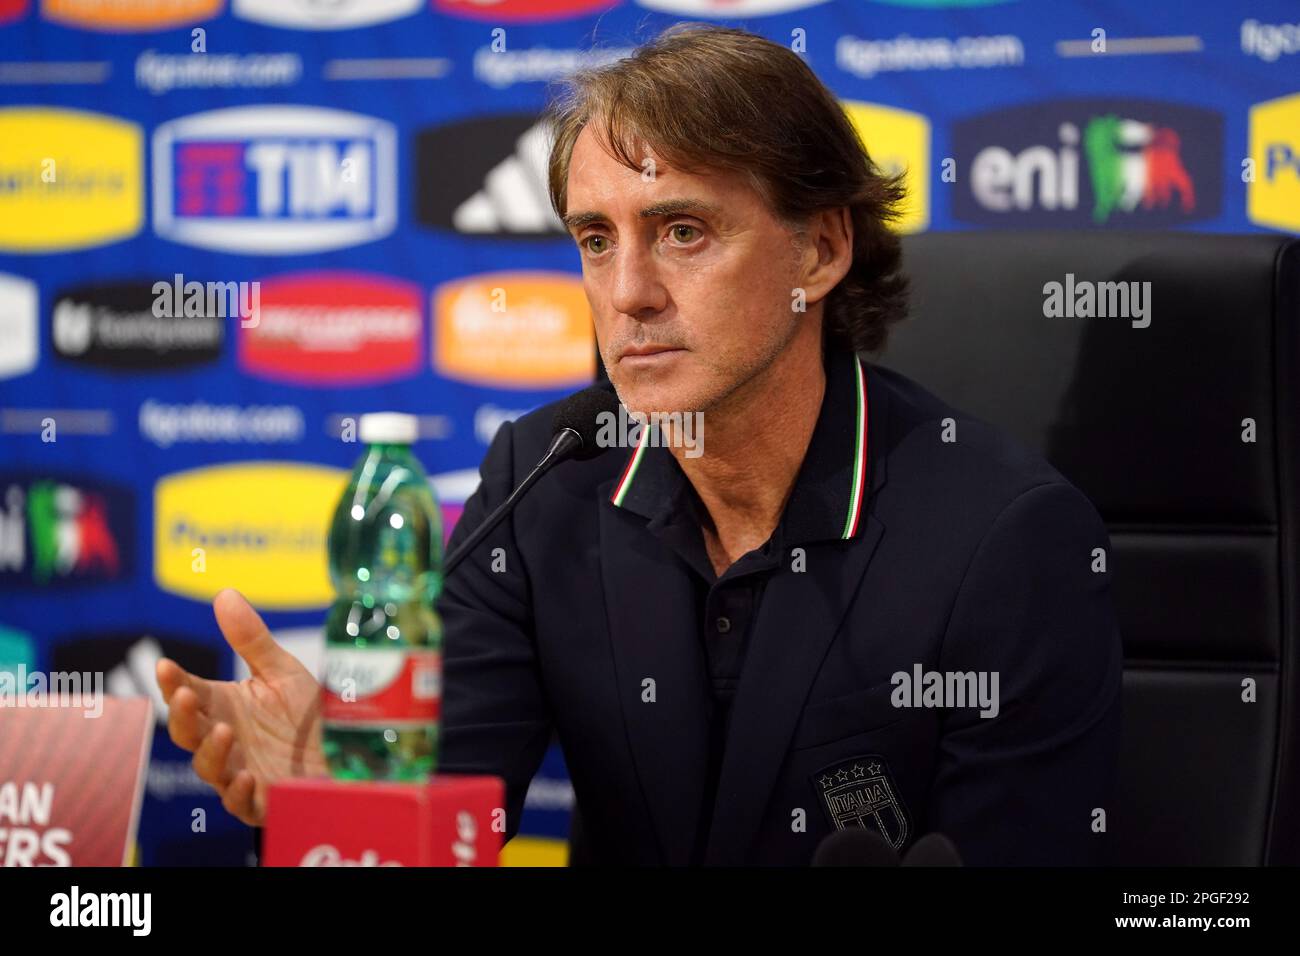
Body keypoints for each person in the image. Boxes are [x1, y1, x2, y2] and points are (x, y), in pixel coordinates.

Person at [158, 23, 1122, 866]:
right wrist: (344, 798)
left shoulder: (1006, 539)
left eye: (684, 231)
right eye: (594, 238)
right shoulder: (542, 485)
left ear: (820, 252)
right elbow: (439, 821)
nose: (628, 294)